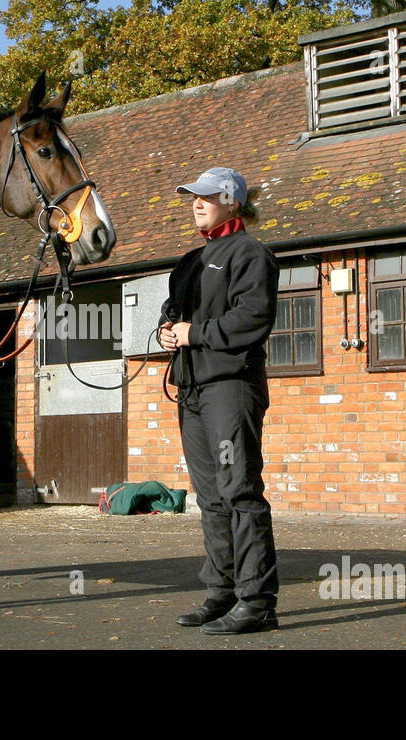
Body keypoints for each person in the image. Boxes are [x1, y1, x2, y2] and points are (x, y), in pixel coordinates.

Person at [158, 167, 280, 635]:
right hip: (191, 389)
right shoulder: (190, 260)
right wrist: (171, 332)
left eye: (206, 196)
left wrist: (196, 333)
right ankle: (222, 592)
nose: (195, 202)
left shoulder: (252, 254)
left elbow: (252, 319)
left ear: (232, 200)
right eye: (191, 196)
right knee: (209, 498)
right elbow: (176, 315)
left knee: (240, 492)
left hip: (231, 387)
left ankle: (258, 601)